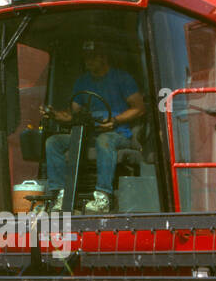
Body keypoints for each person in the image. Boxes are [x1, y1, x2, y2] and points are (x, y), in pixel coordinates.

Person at [44, 41, 146, 212]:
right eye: (86, 58)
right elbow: (72, 114)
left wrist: (115, 121)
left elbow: (139, 108)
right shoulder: (83, 81)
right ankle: (60, 194)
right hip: (88, 134)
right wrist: (55, 114)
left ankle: (103, 197)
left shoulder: (122, 78)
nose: (88, 62)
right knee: (53, 142)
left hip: (118, 133)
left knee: (104, 140)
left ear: (104, 58)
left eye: (92, 58)